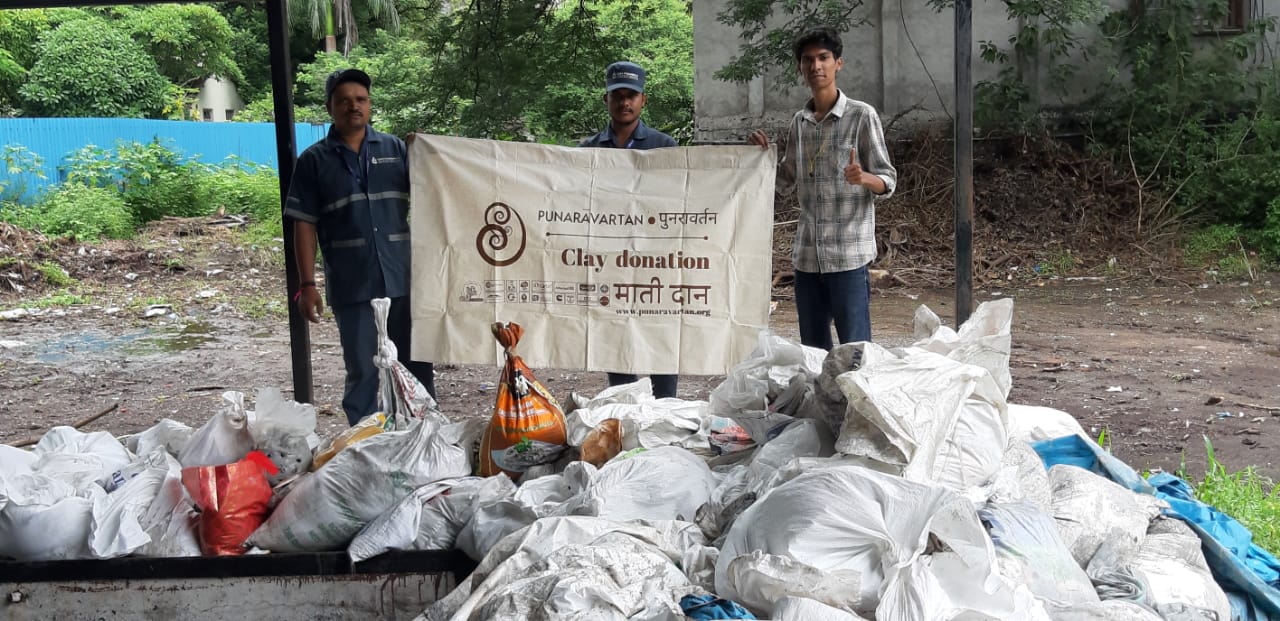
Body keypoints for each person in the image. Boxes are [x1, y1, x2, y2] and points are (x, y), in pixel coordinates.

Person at [284, 68, 435, 425]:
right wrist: (307, 285)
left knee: (416, 365)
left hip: (405, 280)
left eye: (361, 100)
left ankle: (425, 438)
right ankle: (367, 447)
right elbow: (303, 224)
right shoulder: (313, 161)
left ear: (370, 105)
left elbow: (436, 194)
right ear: (330, 108)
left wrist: (427, 154)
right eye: (344, 101)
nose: (354, 106)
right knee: (364, 372)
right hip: (353, 284)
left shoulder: (397, 149)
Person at [748, 27, 897, 350]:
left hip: (848, 255)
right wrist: (761, 160)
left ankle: (853, 401)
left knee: (854, 350)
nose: (816, 66)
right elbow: (785, 183)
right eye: (808, 60)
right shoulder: (799, 123)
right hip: (807, 258)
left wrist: (864, 178)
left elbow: (887, 179)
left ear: (838, 64)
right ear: (801, 68)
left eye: (823, 58)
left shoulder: (861, 116)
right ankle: (822, 402)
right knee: (813, 351)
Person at [578, 61, 680, 399]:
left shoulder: (665, 147)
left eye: (631, 96)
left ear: (643, 100)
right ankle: (624, 410)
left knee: (661, 335)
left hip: (656, 263)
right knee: (616, 337)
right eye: (617, 96)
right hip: (608, 263)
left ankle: (666, 410)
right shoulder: (587, 152)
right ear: (606, 100)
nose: (625, 102)